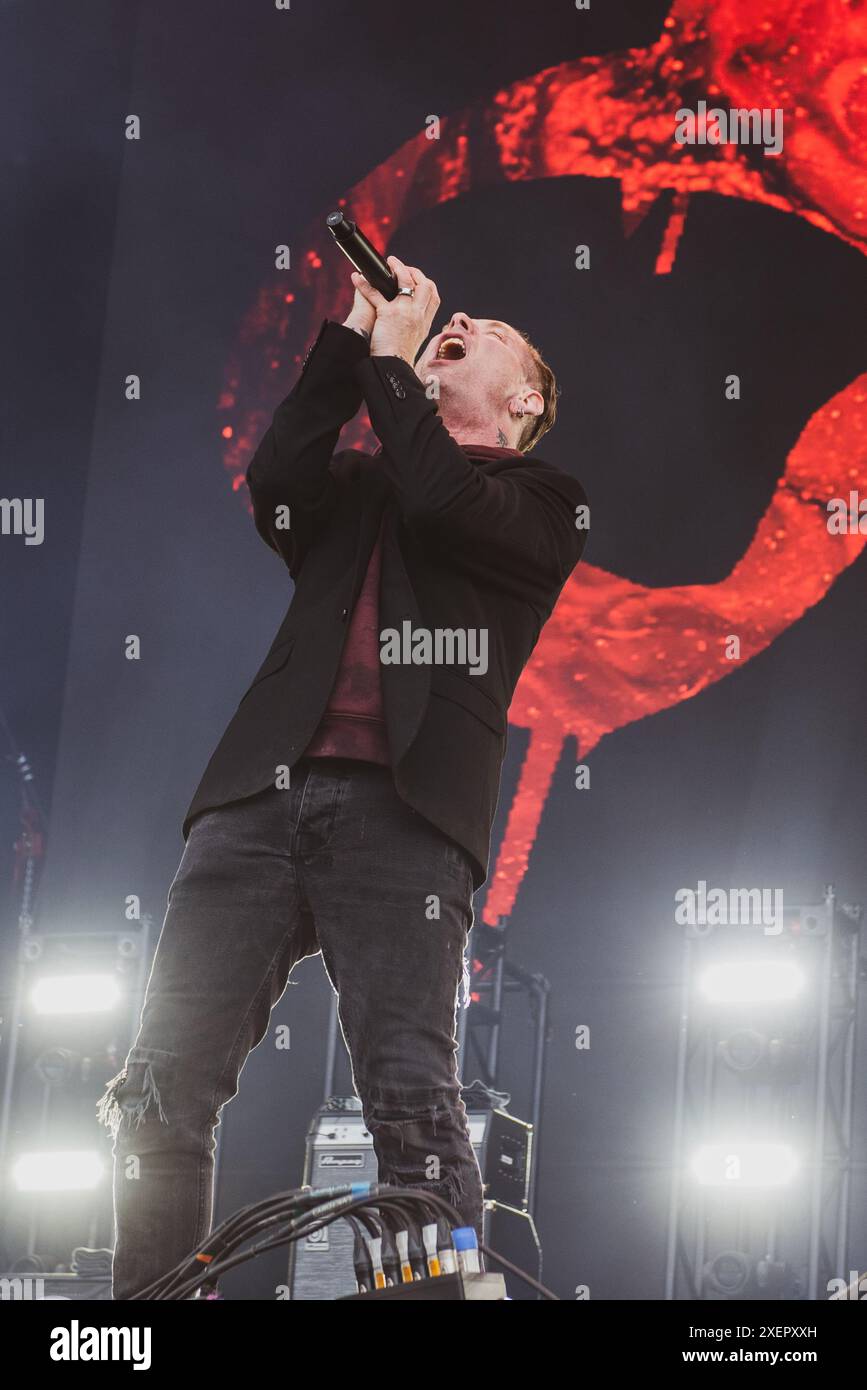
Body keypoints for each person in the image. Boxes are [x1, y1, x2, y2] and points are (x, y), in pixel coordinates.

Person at [99, 254, 589, 1298]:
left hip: (405, 812)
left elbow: (443, 502)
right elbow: (279, 478)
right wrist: (353, 341)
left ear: (525, 399)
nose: (462, 318)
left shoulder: (542, 501)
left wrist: (397, 368)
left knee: (408, 1093)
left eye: (490, 331)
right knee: (161, 1085)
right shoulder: (362, 485)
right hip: (257, 799)